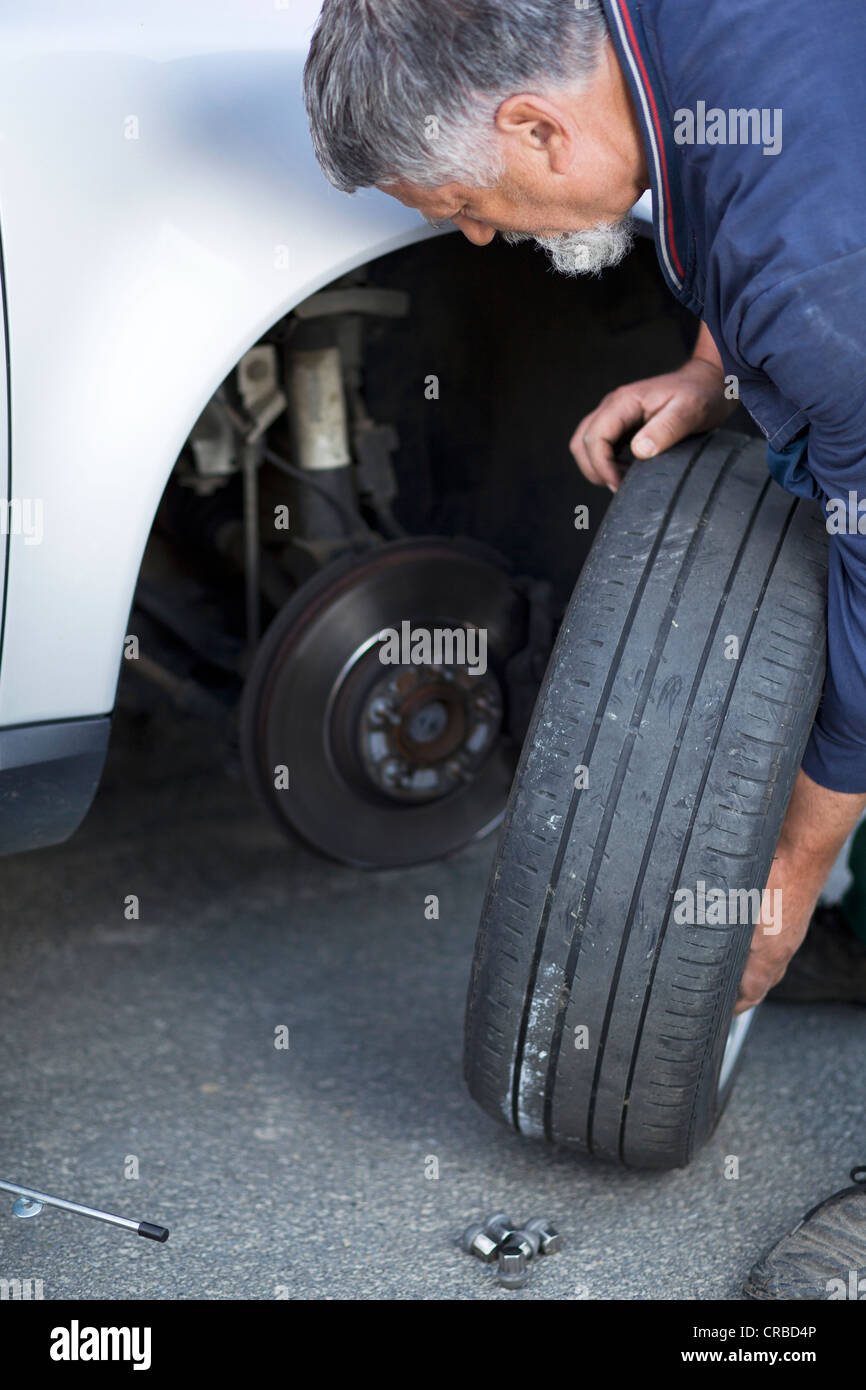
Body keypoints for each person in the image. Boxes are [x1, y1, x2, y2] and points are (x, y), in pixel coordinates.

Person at [303, 0, 866, 1299]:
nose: (481, 232)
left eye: (463, 200)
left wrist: (782, 874)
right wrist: (715, 363)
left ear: (530, 125)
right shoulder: (661, 38)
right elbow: (742, 163)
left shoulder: (820, 272)